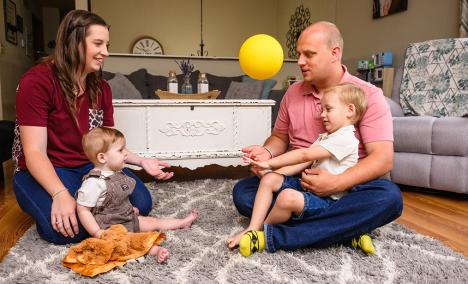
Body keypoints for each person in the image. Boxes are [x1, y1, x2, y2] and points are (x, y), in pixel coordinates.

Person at [231, 21, 403, 256]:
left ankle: (277, 235)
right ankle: (346, 228)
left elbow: (382, 159)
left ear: (335, 54)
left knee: (389, 198)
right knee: (242, 193)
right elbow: (279, 137)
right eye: (299, 54)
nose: (300, 61)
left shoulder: (368, 95)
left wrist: (337, 182)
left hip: (350, 186)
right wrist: (268, 153)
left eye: (309, 54)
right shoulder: (293, 93)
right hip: (298, 178)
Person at [12, 10, 173, 245]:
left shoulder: (101, 88)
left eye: (106, 44)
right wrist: (59, 194)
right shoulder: (36, 82)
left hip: (91, 165)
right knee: (63, 230)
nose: (105, 53)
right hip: (44, 168)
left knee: (142, 203)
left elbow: (109, 145)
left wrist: (142, 162)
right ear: (72, 42)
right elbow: (34, 151)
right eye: (98, 43)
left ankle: (86, 206)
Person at [228, 83, 374, 256]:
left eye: (328, 109)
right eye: (322, 109)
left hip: (329, 202)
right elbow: (302, 164)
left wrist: (270, 163)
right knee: (269, 180)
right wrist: (271, 174)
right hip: (308, 188)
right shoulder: (326, 137)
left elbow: (304, 155)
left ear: (349, 110)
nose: (322, 115)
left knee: (286, 197)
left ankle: (262, 236)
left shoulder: (346, 138)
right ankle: (252, 229)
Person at [77, 127, 198, 263]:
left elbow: (117, 198)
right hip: (110, 228)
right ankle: (155, 250)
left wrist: (129, 207)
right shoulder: (93, 183)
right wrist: (97, 232)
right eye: (120, 150)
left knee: (153, 221)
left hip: (126, 217)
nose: (125, 154)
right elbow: (83, 210)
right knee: (131, 242)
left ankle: (181, 223)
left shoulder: (116, 173)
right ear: (102, 157)